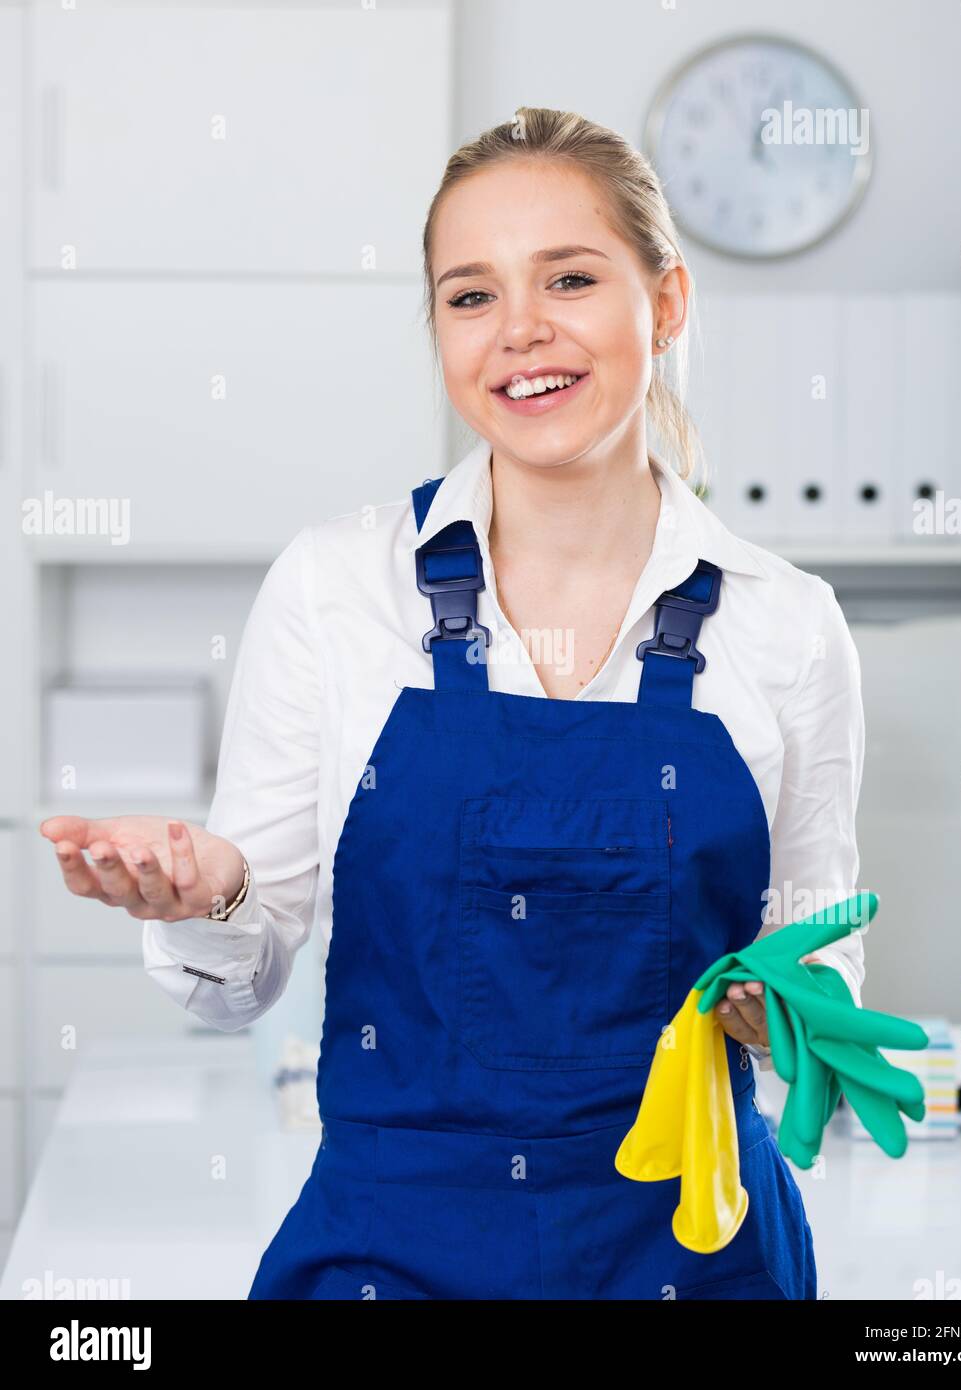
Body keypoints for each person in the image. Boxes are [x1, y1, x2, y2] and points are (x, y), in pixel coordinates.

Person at [39, 107, 865, 1300]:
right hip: (393, 1250)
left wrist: (775, 1010)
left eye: (570, 278)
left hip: (694, 1255)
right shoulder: (336, 589)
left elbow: (818, 964)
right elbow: (242, 973)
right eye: (469, 295)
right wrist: (206, 888)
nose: (519, 330)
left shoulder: (783, 625)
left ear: (666, 303)